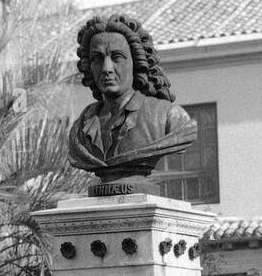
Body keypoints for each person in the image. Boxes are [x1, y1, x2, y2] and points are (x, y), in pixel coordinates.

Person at [69, 14, 196, 187]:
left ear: (136, 63)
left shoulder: (169, 117)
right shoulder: (81, 128)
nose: (106, 69)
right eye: (97, 59)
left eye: (117, 57)